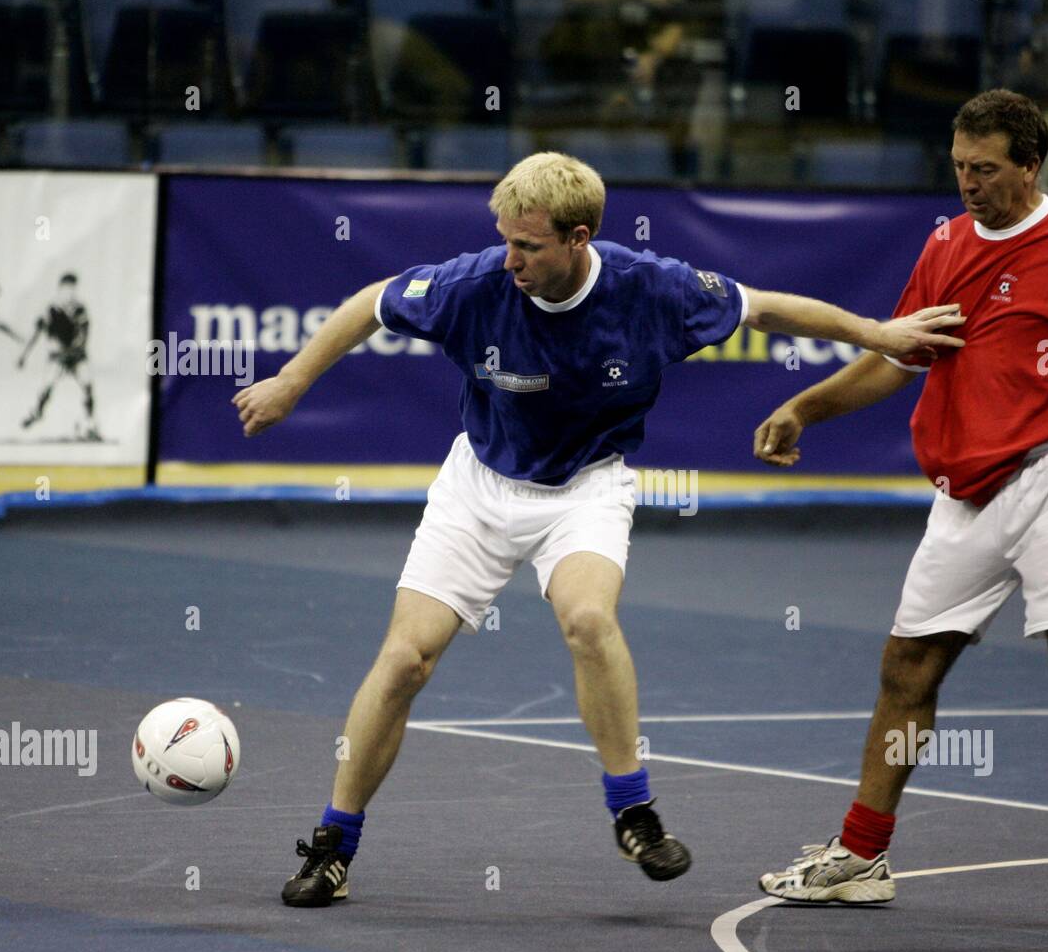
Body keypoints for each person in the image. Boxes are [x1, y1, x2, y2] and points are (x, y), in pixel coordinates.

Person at [231, 152, 965, 908]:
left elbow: (771, 307)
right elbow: (366, 305)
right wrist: (291, 380)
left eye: (528, 245)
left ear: (579, 238)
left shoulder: (652, 288)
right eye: (505, 239)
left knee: (588, 618)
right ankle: (333, 843)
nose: (509, 257)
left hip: (586, 485)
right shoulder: (474, 283)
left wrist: (880, 332)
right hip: (479, 484)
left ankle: (634, 810)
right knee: (403, 661)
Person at [754, 90, 1048, 937]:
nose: (967, 183)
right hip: (967, 489)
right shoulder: (946, 243)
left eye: (985, 170)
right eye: (959, 166)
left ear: (1028, 166)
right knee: (907, 670)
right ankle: (862, 855)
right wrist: (805, 408)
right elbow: (899, 358)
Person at [18, 273, 99, 441]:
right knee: (47, 387)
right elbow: (36, 333)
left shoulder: (80, 309)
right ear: (60, 289)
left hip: (77, 356)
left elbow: (85, 332)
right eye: (67, 289)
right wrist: (24, 355)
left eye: (73, 289)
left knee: (88, 386)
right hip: (58, 357)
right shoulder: (50, 310)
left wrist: (79, 345)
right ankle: (37, 412)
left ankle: (90, 423)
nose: (70, 293)